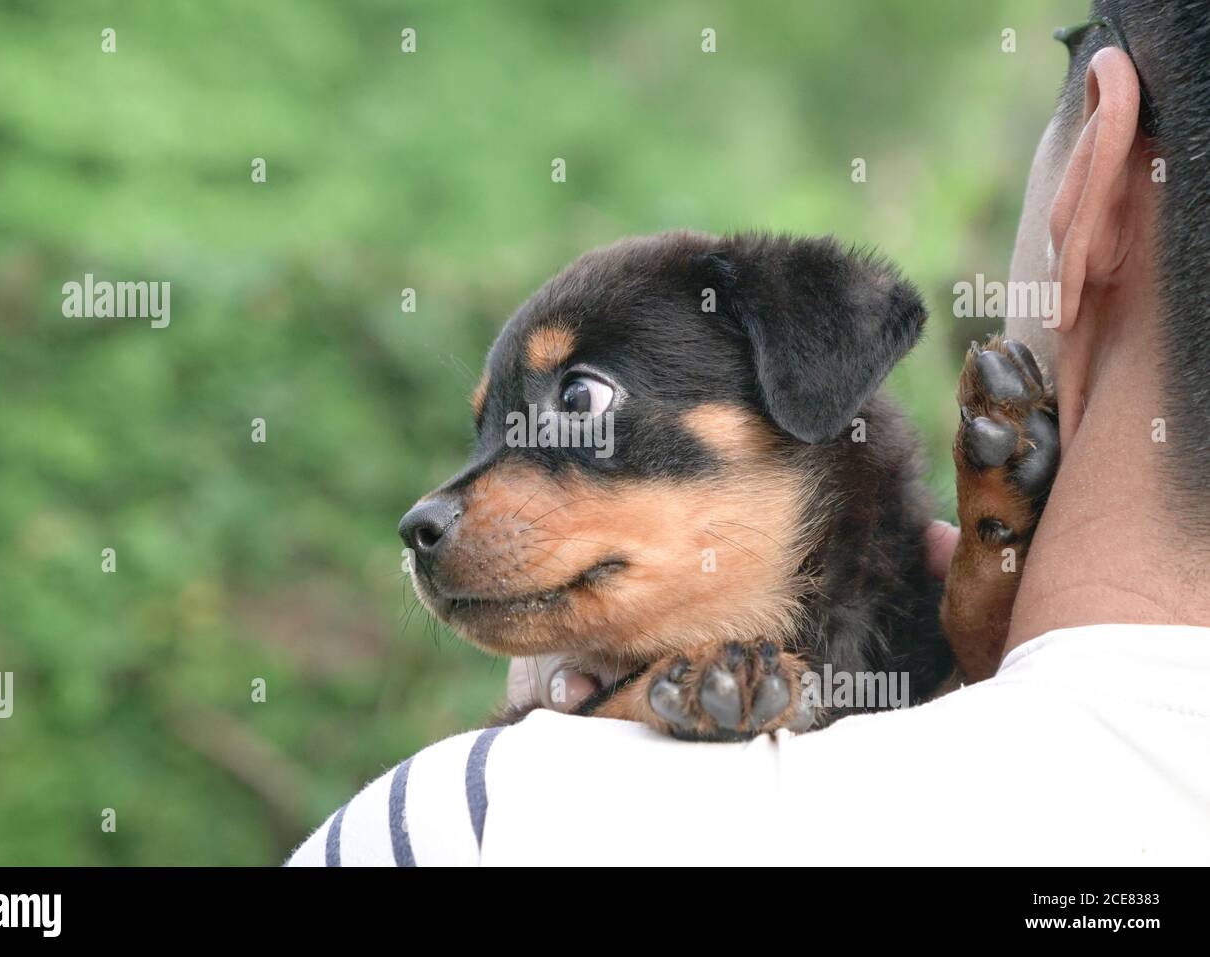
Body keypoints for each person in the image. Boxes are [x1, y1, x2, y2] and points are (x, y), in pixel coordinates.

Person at [287, 0, 1210, 866]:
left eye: (580, 402)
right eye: (495, 430)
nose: (435, 513)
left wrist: (549, 775)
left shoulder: (491, 827)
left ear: (1099, 178)